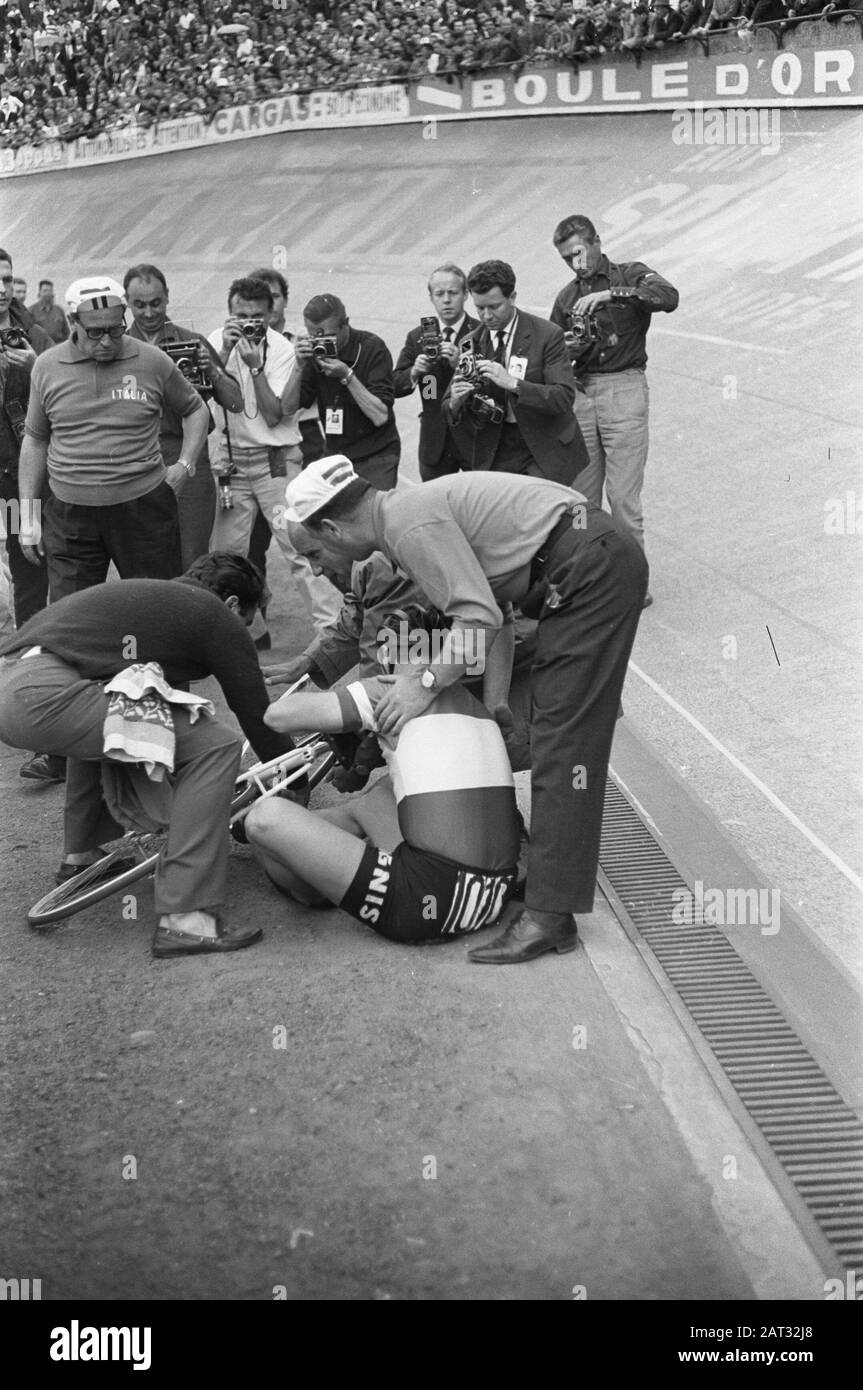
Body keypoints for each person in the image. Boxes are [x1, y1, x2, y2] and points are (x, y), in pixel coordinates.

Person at [283, 456, 648, 965]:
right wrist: (496, 698)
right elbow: (494, 606)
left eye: (315, 553)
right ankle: (549, 897)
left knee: (565, 746)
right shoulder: (405, 516)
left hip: (587, 567)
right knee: (557, 740)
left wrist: (424, 682)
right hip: (586, 560)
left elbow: (476, 616)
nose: (319, 568)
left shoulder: (408, 526)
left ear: (332, 526)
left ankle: (549, 916)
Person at [0, 553, 297, 958]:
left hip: (14, 682)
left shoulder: (156, 601)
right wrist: (295, 782)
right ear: (231, 604)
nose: (242, 631)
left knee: (110, 724)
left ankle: (82, 855)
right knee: (216, 744)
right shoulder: (212, 614)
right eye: (246, 620)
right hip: (42, 694)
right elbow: (259, 720)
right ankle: (186, 919)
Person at [245, 605, 521, 945]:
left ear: (389, 650)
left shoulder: (393, 692)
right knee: (380, 795)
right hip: (490, 897)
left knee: (262, 819)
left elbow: (277, 717)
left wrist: (357, 695)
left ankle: (314, 890)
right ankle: (320, 853)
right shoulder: (480, 710)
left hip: (427, 902)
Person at [17, 275, 210, 602]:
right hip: (70, 514)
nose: (106, 341)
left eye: (115, 329)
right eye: (94, 332)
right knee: (74, 616)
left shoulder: (151, 360)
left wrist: (185, 465)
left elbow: (196, 409)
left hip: (144, 509)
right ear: (72, 321)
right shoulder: (47, 367)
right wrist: (28, 516)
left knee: (156, 608)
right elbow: (35, 441)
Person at [549, 214, 679, 605]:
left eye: (579, 252)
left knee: (623, 498)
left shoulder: (630, 274)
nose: (576, 264)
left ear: (596, 242)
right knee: (580, 499)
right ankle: (590, 579)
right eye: (567, 258)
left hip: (623, 387)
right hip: (582, 393)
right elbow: (552, 354)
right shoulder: (566, 298)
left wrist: (612, 295)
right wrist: (567, 353)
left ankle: (632, 586)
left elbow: (668, 296)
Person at [206, 275, 340, 635]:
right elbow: (204, 395)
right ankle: (235, 632)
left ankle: (332, 629)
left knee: (300, 546)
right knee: (226, 557)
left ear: (270, 315)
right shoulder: (214, 342)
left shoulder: (281, 349)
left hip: (274, 462)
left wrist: (253, 365)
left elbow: (273, 413)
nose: (250, 324)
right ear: (229, 313)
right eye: (241, 315)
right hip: (230, 466)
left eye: (257, 316)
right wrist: (220, 355)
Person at [123, 262, 244, 570]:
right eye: (139, 305)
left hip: (189, 457)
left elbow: (235, 403)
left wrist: (212, 370)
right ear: (127, 302)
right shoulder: (117, 347)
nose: (149, 313)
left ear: (167, 297)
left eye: (155, 303)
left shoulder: (192, 341)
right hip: (135, 456)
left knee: (193, 554)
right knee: (143, 554)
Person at [442, 259, 587, 484]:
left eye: (494, 306)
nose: (486, 316)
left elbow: (563, 397)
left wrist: (513, 384)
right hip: (496, 452)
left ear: (512, 298)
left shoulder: (548, 335)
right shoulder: (470, 343)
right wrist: (456, 402)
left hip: (543, 451)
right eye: (480, 308)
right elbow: (447, 405)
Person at [0, 247, 57, 781]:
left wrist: (33, 365)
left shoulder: (35, 332)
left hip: (19, 477)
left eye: (7, 278)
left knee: (29, 571)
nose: (2, 287)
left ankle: (28, 677)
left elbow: (61, 381)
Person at [294, 293, 400, 490]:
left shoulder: (371, 347)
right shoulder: (315, 352)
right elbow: (288, 408)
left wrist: (347, 375)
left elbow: (380, 415)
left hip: (376, 453)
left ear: (346, 324)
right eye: (315, 335)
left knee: (372, 514)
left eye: (329, 336)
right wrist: (298, 366)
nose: (323, 343)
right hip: (337, 454)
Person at [392, 263, 478, 482]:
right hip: (435, 442)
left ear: (466, 294)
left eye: (453, 293)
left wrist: (462, 364)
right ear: (431, 297)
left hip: (474, 438)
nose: (446, 300)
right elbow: (393, 384)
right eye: (439, 294)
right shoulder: (417, 337)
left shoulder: (479, 332)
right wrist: (414, 372)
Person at [26, 279, 69, 344]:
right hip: (41, 348)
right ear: (39, 293)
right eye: (45, 291)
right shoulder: (31, 311)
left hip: (58, 346)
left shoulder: (59, 310)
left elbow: (66, 332)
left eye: (50, 291)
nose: (48, 294)